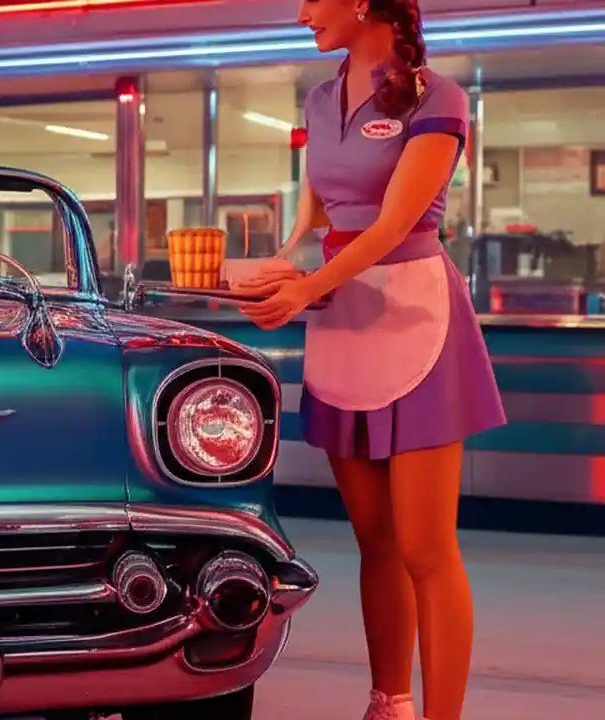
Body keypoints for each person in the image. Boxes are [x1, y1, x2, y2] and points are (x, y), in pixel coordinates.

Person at [239, 3, 506, 720]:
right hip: (344, 321)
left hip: (416, 317)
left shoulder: (436, 97)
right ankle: (389, 703)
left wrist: (302, 292)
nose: (302, 14)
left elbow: (393, 223)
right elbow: (319, 211)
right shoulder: (320, 99)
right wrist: (283, 261)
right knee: (375, 543)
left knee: (426, 548)